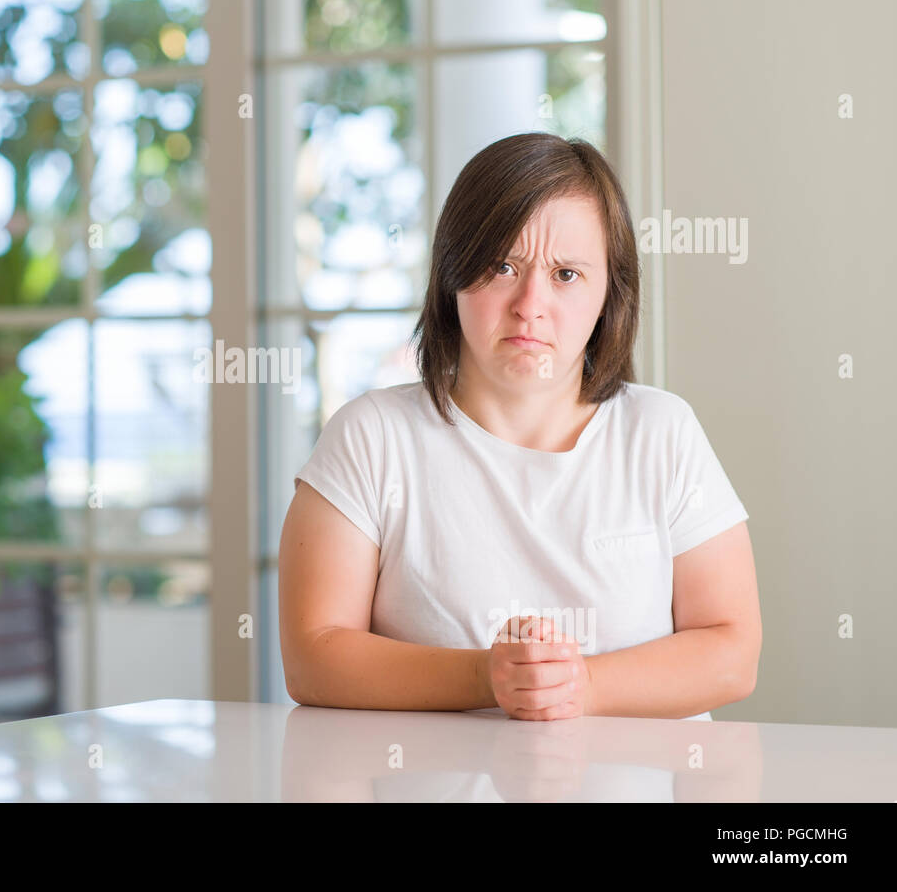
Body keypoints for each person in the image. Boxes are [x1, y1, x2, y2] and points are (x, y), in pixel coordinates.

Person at [279, 132, 761, 721]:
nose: (530, 303)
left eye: (566, 274)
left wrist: (578, 685)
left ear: (610, 292)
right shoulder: (371, 436)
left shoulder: (663, 431)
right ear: (452, 274)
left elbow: (733, 652)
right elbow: (313, 656)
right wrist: (488, 676)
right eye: (502, 265)